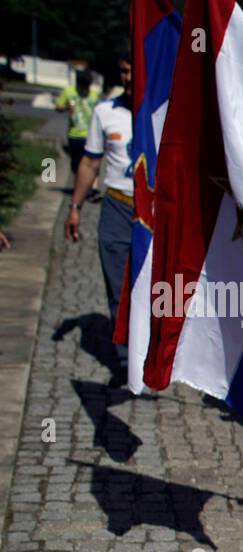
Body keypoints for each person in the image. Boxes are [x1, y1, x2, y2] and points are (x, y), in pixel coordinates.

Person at [65, 50, 133, 353]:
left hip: (159, 211)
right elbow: (90, 164)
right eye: (124, 70)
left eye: (134, 70)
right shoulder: (104, 112)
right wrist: (75, 207)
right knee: (118, 284)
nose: (128, 77)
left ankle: (155, 353)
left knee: (158, 288)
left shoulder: (168, 112)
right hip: (117, 205)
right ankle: (124, 355)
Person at [56, 70, 97, 176]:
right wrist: (66, 107)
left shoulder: (94, 95)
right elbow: (58, 107)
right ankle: (79, 184)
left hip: (90, 136)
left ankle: (87, 188)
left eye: (87, 87)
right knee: (76, 164)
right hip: (74, 134)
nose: (85, 90)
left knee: (89, 164)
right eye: (83, 87)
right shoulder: (68, 92)